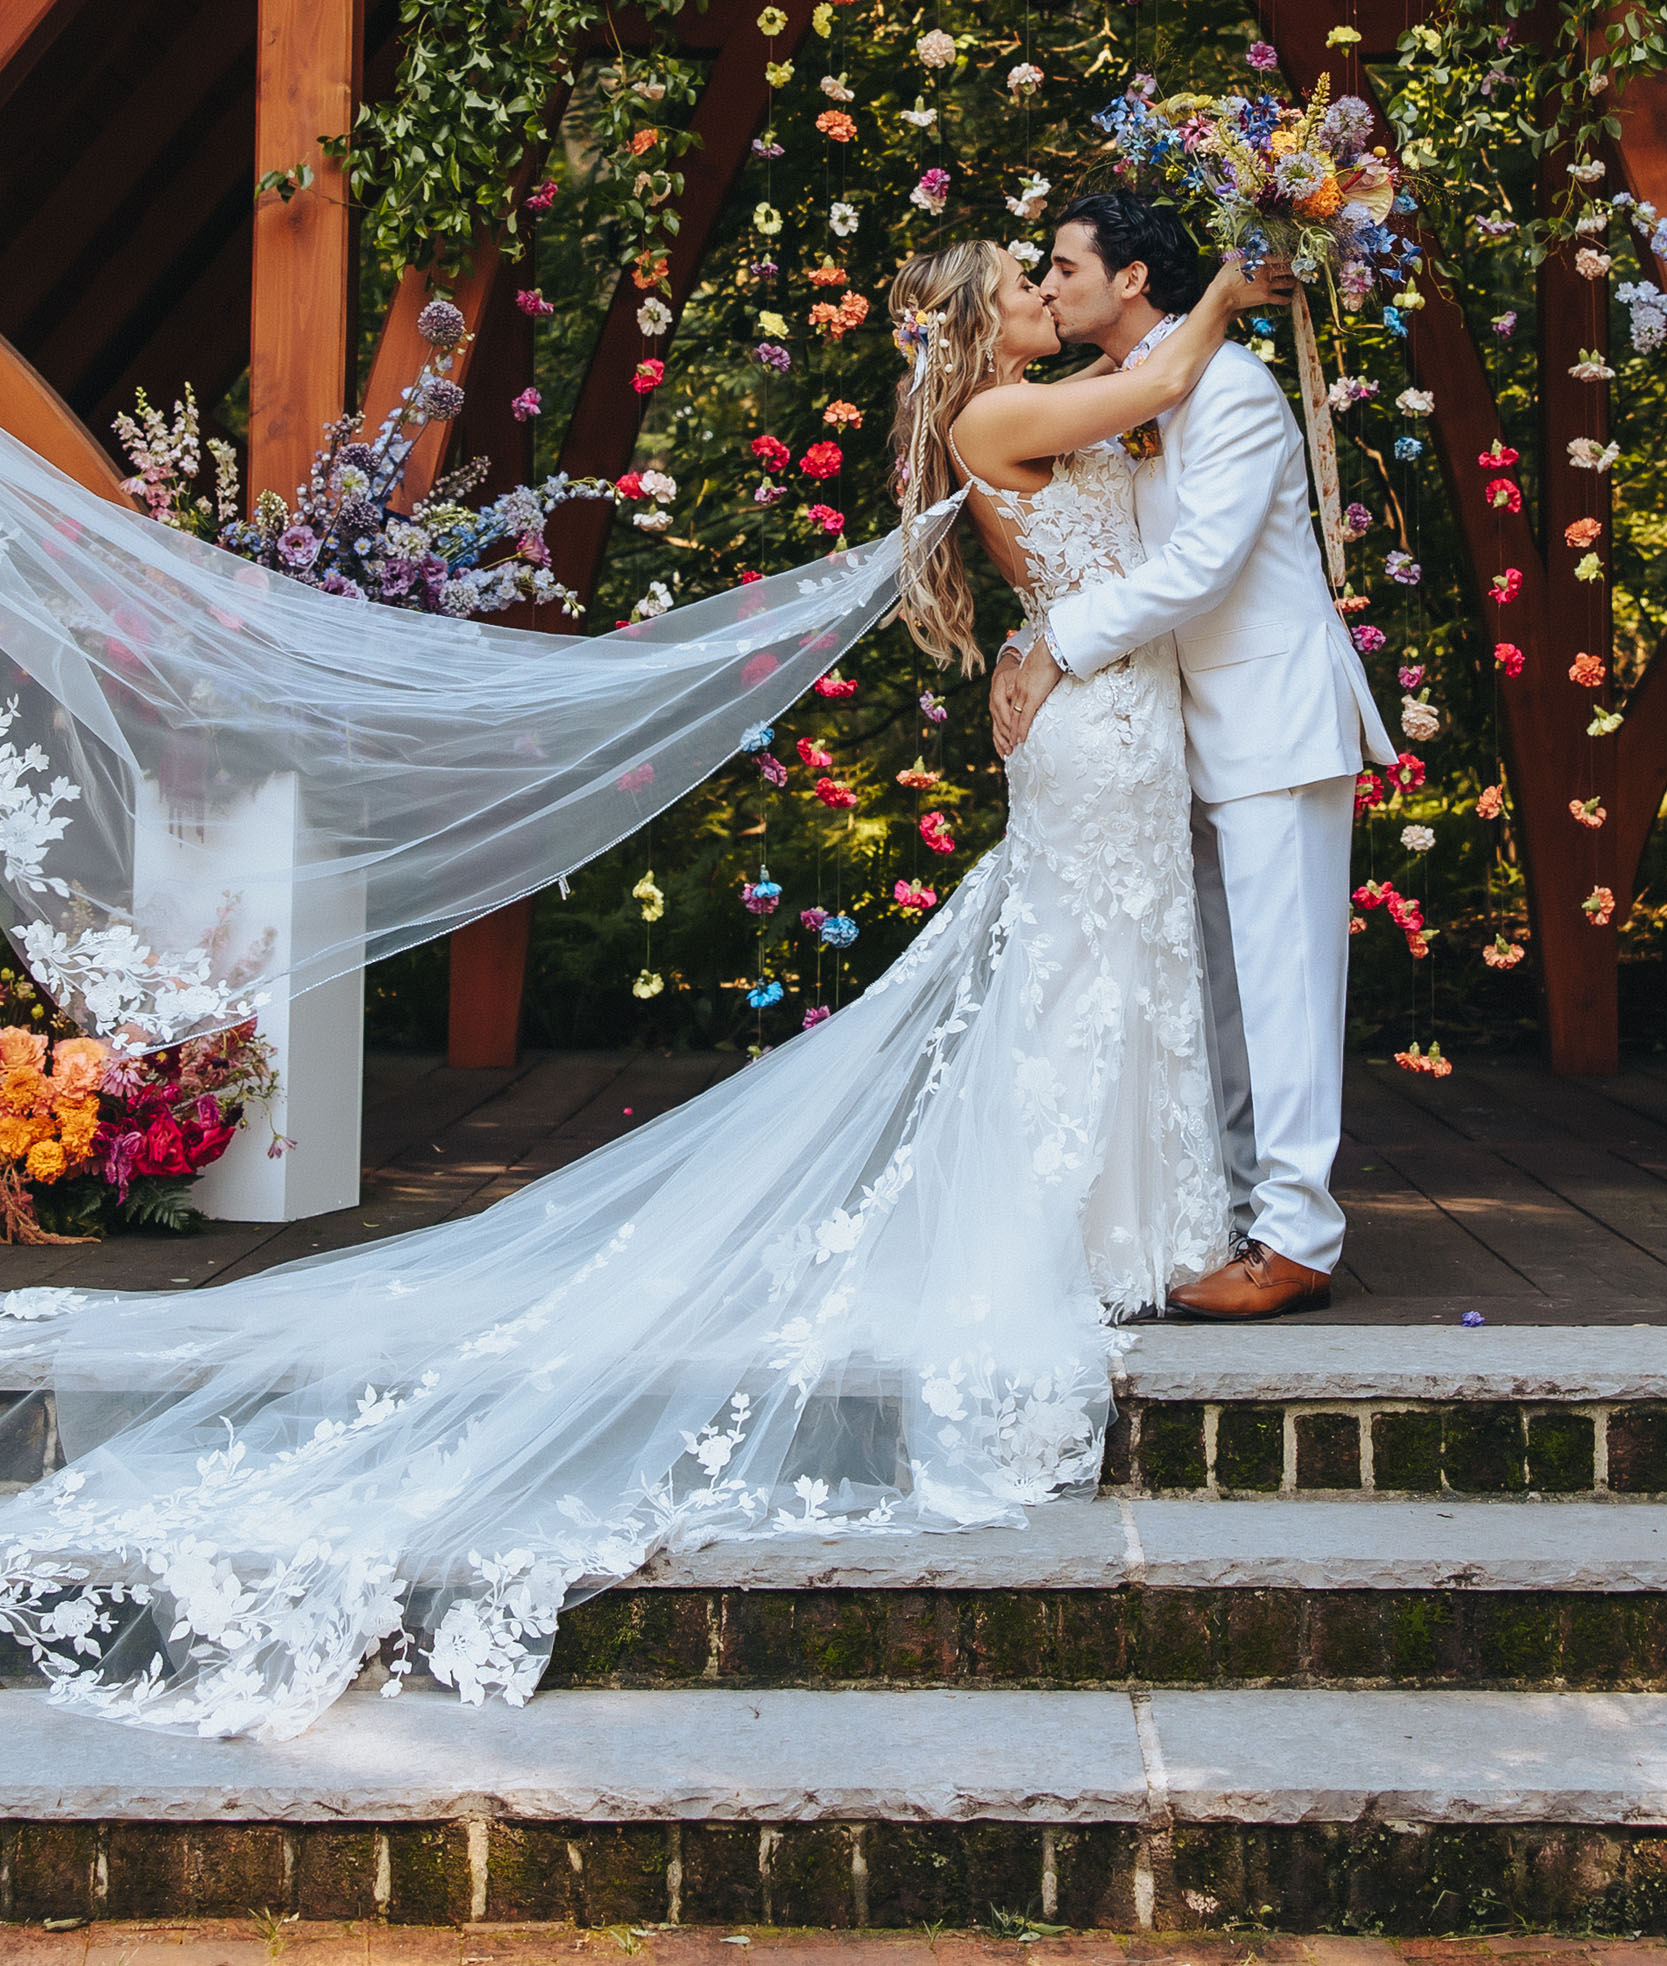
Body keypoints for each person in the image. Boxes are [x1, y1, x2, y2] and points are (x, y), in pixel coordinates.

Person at [0, 232, 1280, 1742]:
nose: (1041, 297)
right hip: (1091, 730)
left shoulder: (1050, 402)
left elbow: (1154, 419)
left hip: (1120, 722)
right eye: (1020, 283)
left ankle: (1136, 1219)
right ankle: (1087, 1231)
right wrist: (1233, 274)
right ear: (972, 328)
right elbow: (1175, 373)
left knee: (1114, 970)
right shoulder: (994, 420)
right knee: (1079, 978)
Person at [992, 193, 1395, 1319]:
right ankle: (1230, 1217)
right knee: (1218, 990)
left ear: (1129, 280)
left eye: (1064, 265)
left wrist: (1060, 649)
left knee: (1284, 985)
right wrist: (1029, 638)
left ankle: (1301, 1239)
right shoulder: (1139, 392)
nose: (1050, 281)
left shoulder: (1230, 390)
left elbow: (1203, 565)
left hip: (1272, 719)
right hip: (1184, 729)